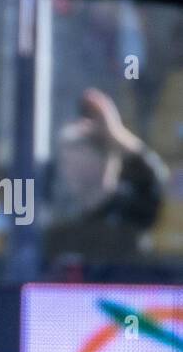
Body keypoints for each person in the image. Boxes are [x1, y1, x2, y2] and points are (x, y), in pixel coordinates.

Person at [44, 88, 169, 277]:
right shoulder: (55, 226)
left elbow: (157, 181)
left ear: (105, 159)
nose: (70, 166)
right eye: (65, 157)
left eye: (78, 151)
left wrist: (116, 134)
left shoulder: (132, 214)